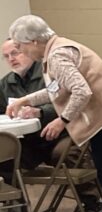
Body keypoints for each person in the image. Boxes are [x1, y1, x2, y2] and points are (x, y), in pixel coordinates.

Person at [3, 15, 102, 212]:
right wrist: (24, 100)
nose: (22, 52)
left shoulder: (57, 56)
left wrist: (62, 120)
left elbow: (81, 92)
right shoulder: (58, 48)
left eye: (21, 46)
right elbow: (57, 89)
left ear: (35, 41)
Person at [1, 38, 61, 170]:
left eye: (15, 53)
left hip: (58, 135)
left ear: (27, 50)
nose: (11, 59)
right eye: (6, 56)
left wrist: (39, 112)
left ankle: (87, 190)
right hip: (28, 140)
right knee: (6, 158)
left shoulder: (49, 73)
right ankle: (15, 190)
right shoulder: (5, 83)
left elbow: (65, 102)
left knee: (64, 155)